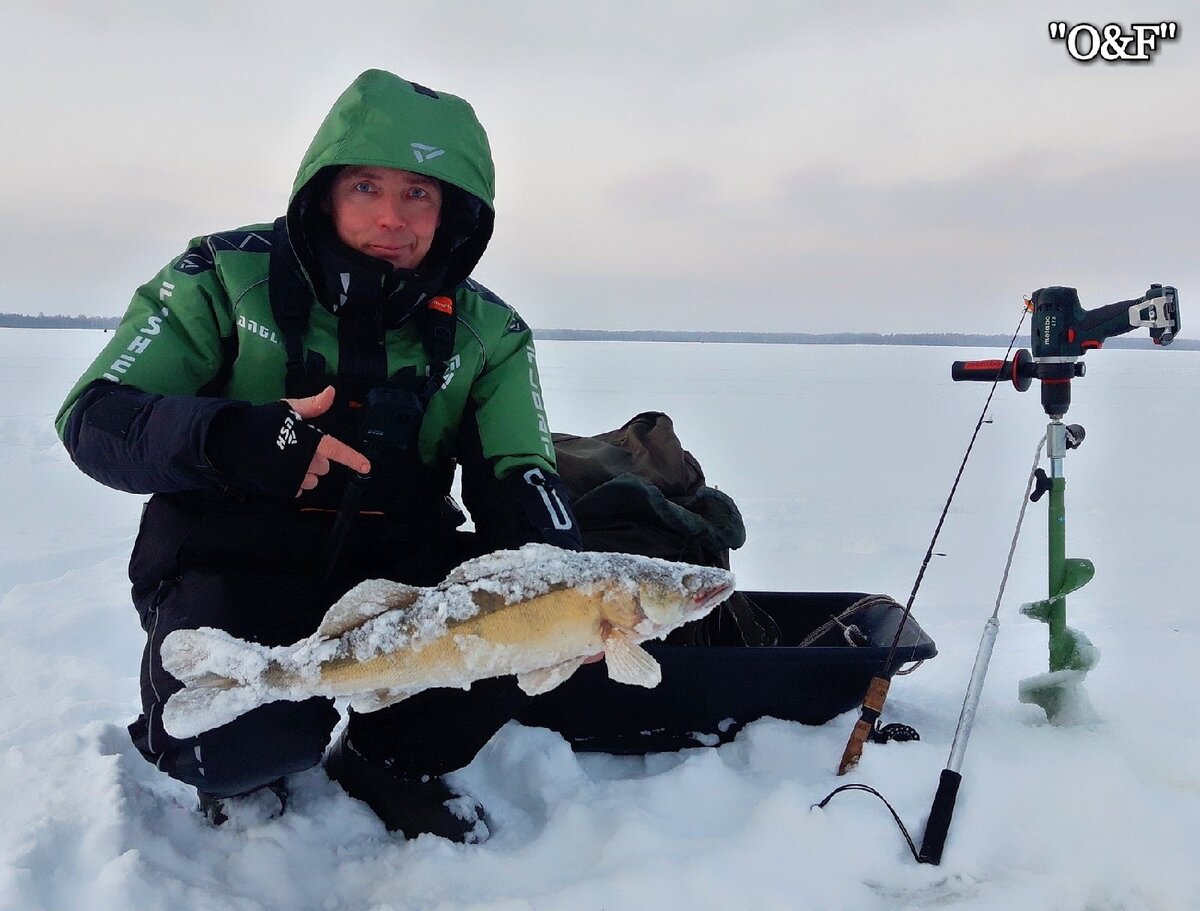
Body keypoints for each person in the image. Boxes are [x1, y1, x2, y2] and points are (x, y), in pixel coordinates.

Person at [55, 69, 581, 841]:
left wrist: (550, 543)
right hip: (232, 566)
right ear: (324, 190)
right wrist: (230, 436)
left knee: (532, 622)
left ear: (454, 214)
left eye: (421, 194)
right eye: (367, 186)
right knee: (235, 745)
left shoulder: (489, 333)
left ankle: (386, 759)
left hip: (396, 576)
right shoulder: (222, 277)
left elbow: (518, 465)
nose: (392, 218)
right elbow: (96, 418)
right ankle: (244, 751)